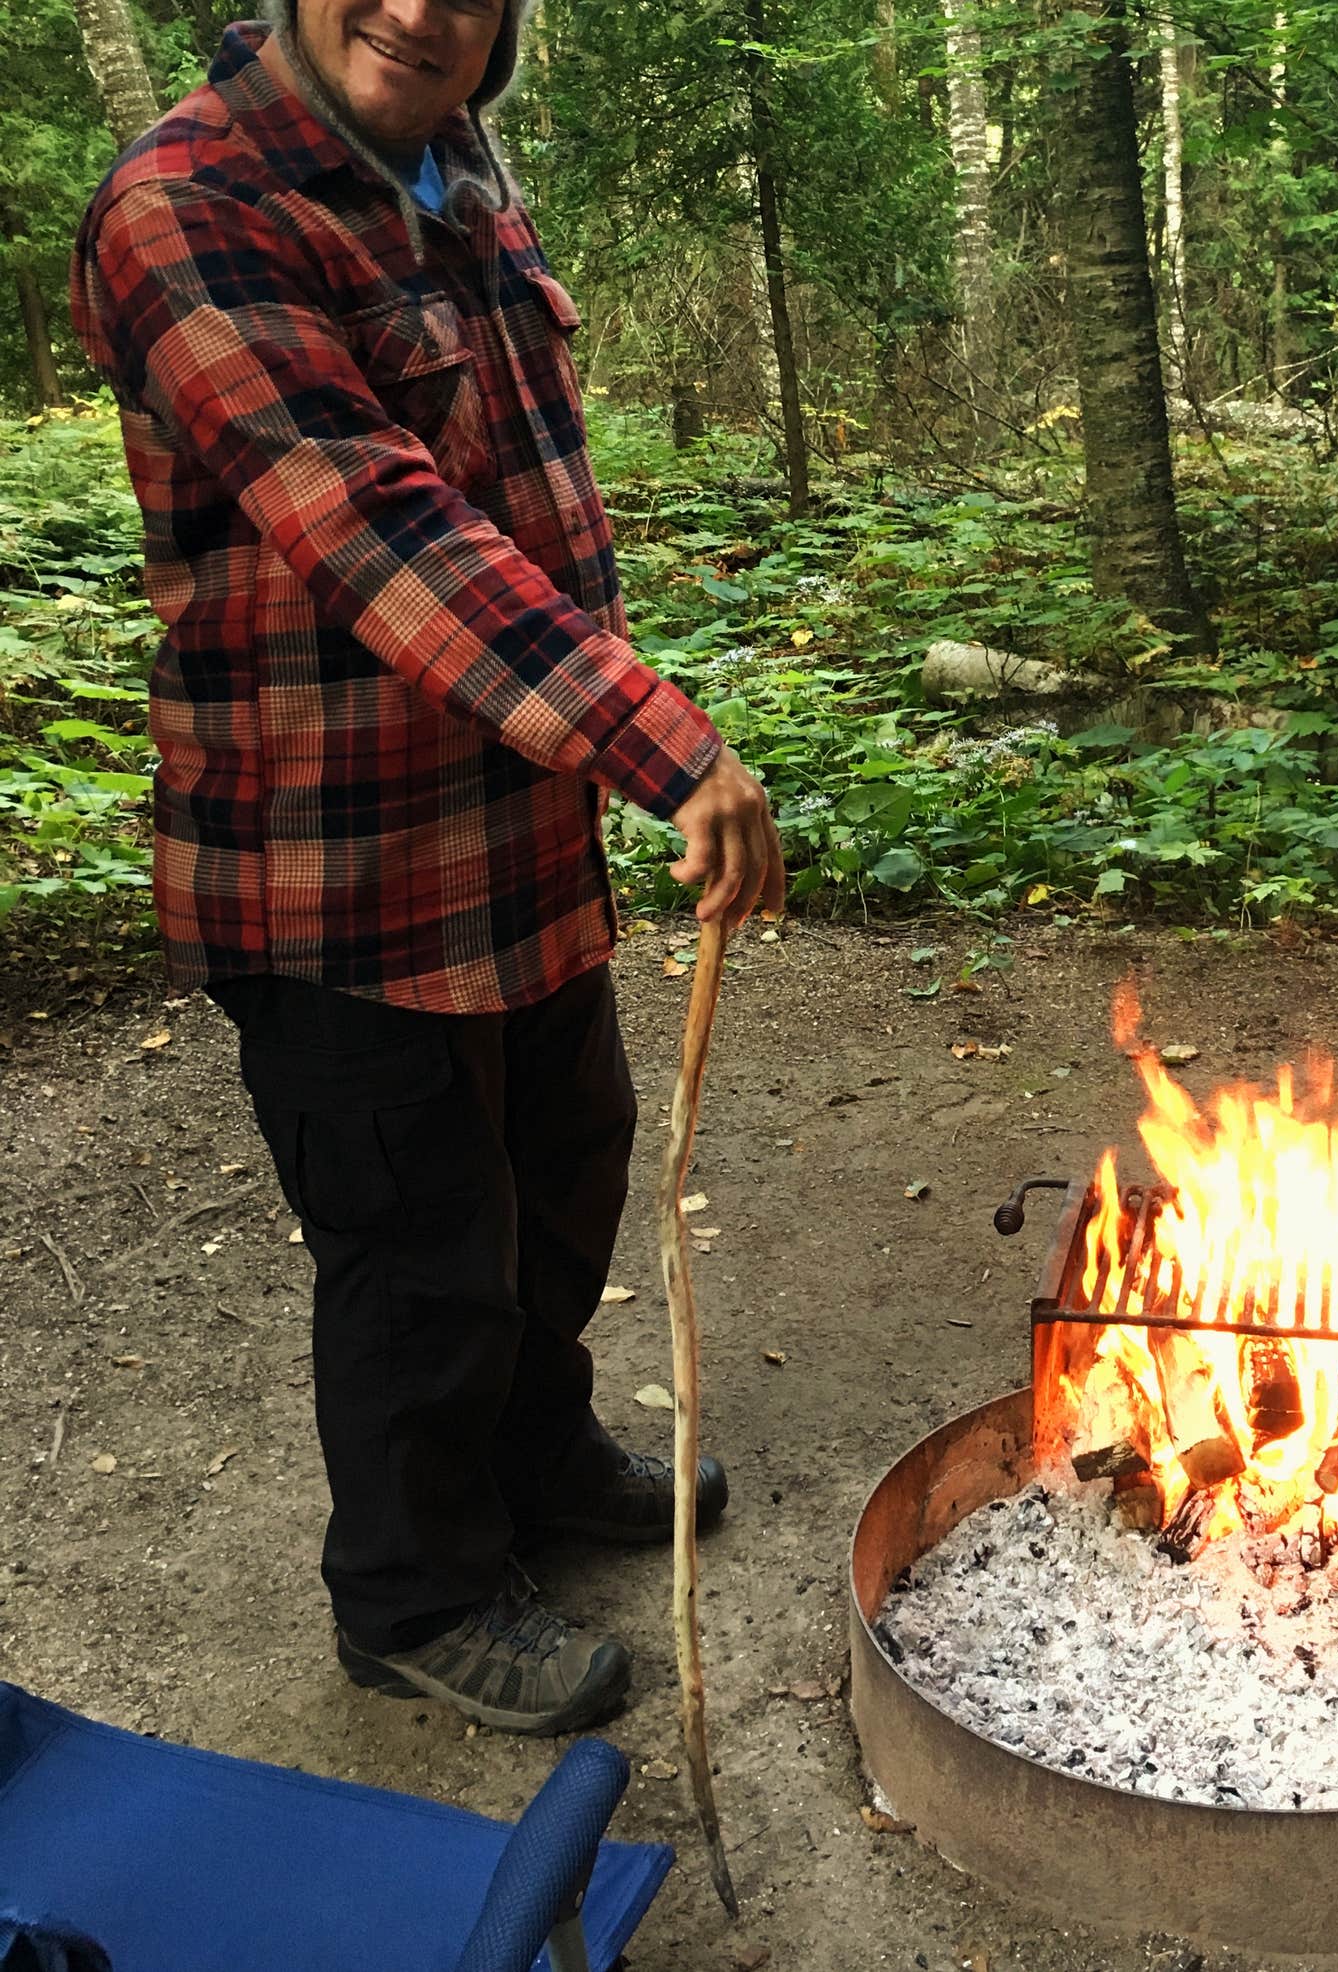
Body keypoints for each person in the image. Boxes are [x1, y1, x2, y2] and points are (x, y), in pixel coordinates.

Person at [70, 0, 785, 1736]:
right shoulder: (187, 205)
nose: (420, 9)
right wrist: (655, 739)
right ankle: (417, 1589)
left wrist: (592, 740)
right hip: (324, 865)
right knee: (418, 1244)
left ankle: (535, 1466)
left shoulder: (452, 152)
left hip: (511, 837)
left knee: (565, 1164)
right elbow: (376, 518)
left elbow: (522, 482)